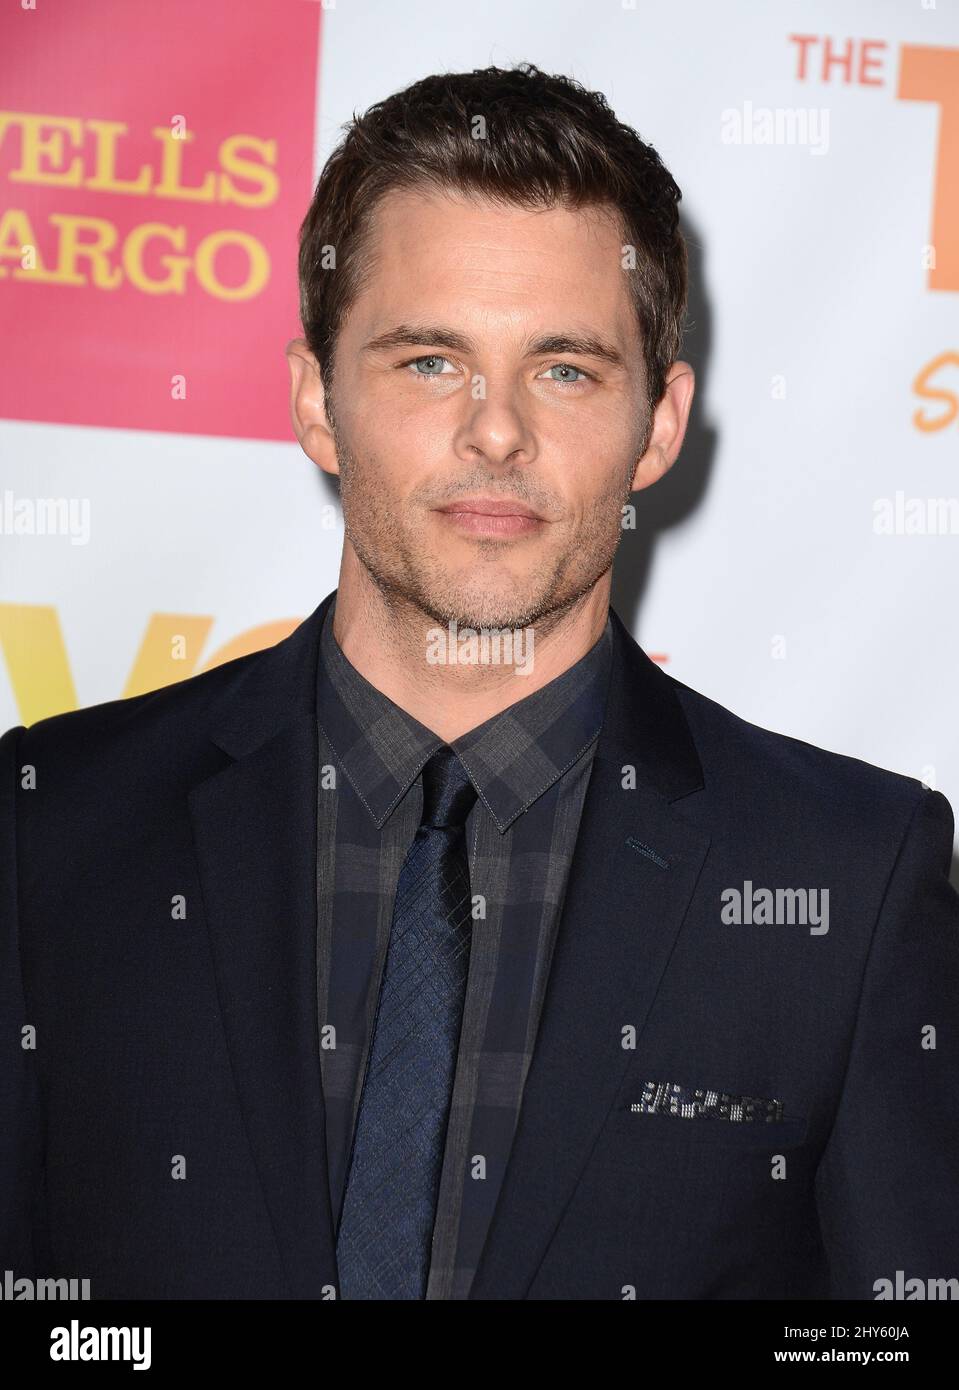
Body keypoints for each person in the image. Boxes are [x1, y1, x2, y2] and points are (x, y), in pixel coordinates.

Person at [2, 62, 957, 1301]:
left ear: (658, 425)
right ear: (314, 401)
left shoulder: (845, 877)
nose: (493, 432)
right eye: (426, 362)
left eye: (562, 369)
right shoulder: (51, 830)